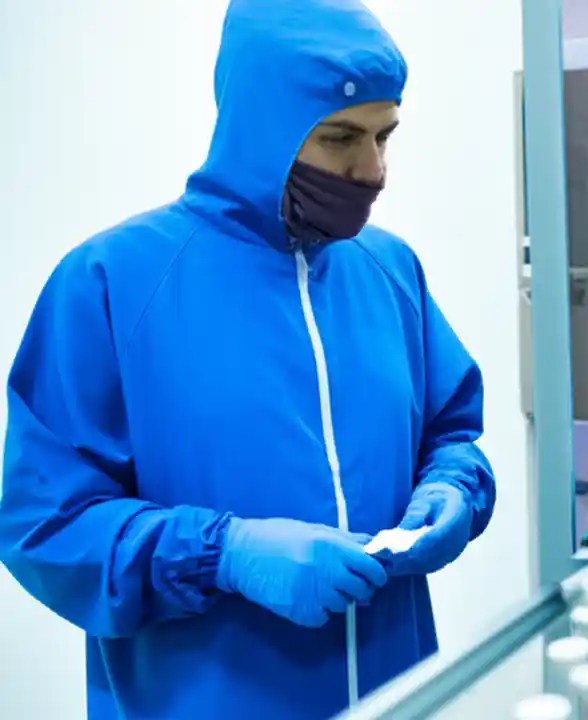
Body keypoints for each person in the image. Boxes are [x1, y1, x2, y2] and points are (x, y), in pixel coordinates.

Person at [0, 1, 496, 718]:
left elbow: (451, 434)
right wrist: (225, 553)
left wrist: (453, 487)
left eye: (385, 136)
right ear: (262, 126)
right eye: (340, 137)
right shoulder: (113, 282)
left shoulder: (389, 272)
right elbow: (46, 524)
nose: (372, 170)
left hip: (398, 693)